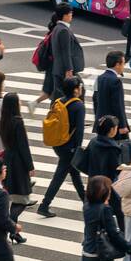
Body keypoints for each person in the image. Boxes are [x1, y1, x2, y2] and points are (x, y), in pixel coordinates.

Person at [36, 74, 86, 218]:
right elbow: (80, 131)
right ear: (76, 90)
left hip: (58, 144)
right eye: (80, 87)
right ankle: (44, 205)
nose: (81, 89)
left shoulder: (58, 101)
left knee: (74, 172)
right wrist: (78, 148)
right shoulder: (78, 106)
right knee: (60, 175)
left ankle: (86, 200)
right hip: (69, 146)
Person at [0, 93, 34, 241]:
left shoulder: (2, 122)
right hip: (18, 163)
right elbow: (23, 146)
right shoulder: (18, 122)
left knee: (14, 196)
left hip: (7, 160)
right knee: (23, 198)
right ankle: (11, 227)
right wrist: (30, 166)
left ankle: (14, 233)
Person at [40, 4, 84, 103]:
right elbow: (66, 52)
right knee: (72, 94)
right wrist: (69, 70)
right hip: (64, 70)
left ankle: (55, 114)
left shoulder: (57, 28)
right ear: (64, 15)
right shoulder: (64, 30)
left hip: (58, 69)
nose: (71, 15)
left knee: (59, 96)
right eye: (70, 13)